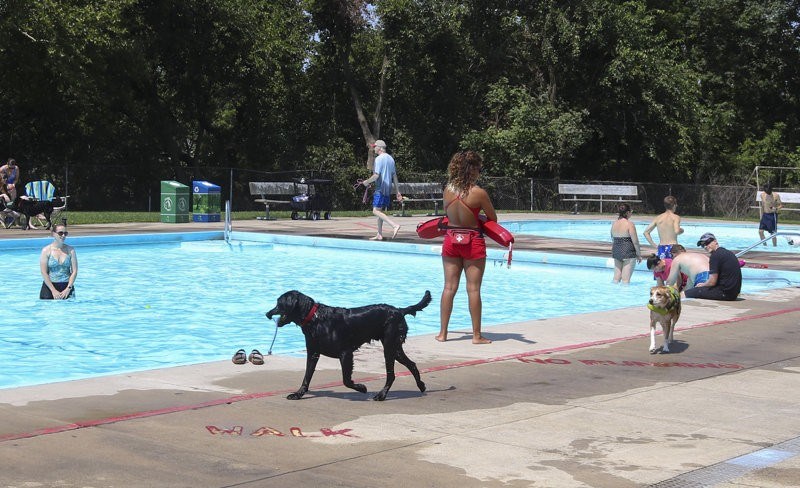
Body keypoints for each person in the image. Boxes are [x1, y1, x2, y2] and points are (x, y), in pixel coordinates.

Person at [436, 150, 496, 344]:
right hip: (473, 241)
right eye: (479, 168)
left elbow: (449, 215)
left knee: (449, 287)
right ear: (472, 170)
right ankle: (476, 336)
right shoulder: (479, 193)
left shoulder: (447, 190)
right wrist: (476, 217)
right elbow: (493, 219)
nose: (480, 171)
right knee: (473, 289)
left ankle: (443, 334)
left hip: (451, 239)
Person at [359, 140, 402, 240]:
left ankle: (394, 225)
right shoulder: (391, 159)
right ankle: (379, 233)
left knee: (375, 211)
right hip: (387, 190)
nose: (374, 148)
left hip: (380, 189)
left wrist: (366, 182)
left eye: (375, 147)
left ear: (380, 148)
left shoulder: (378, 159)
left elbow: (376, 175)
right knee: (380, 210)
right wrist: (397, 192)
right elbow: (394, 176)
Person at [684, 232, 741, 301]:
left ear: (715, 241)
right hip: (734, 293)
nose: (705, 246)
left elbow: (712, 282)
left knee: (689, 292)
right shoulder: (727, 252)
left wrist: (702, 285)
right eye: (702, 245)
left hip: (725, 293)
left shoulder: (715, 256)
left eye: (707, 242)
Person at [39, 224, 78, 299]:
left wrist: (68, 288)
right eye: (60, 233)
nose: (63, 235)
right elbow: (44, 272)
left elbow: (74, 271)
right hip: (49, 287)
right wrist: (53, 290)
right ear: (53, 234)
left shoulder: (71, 250)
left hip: (66, 286)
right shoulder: (46, 250)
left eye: (65, 233)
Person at [610, 203, 643, 284]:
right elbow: (635, 241)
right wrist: (639, 254)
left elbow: (612, 238)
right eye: (631, 211)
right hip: (628, 252)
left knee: (616, 279)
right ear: (627, 213)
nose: (631, 213)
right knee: (625, 281)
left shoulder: (614, 223)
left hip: (616, 250)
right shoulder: (629, 224)